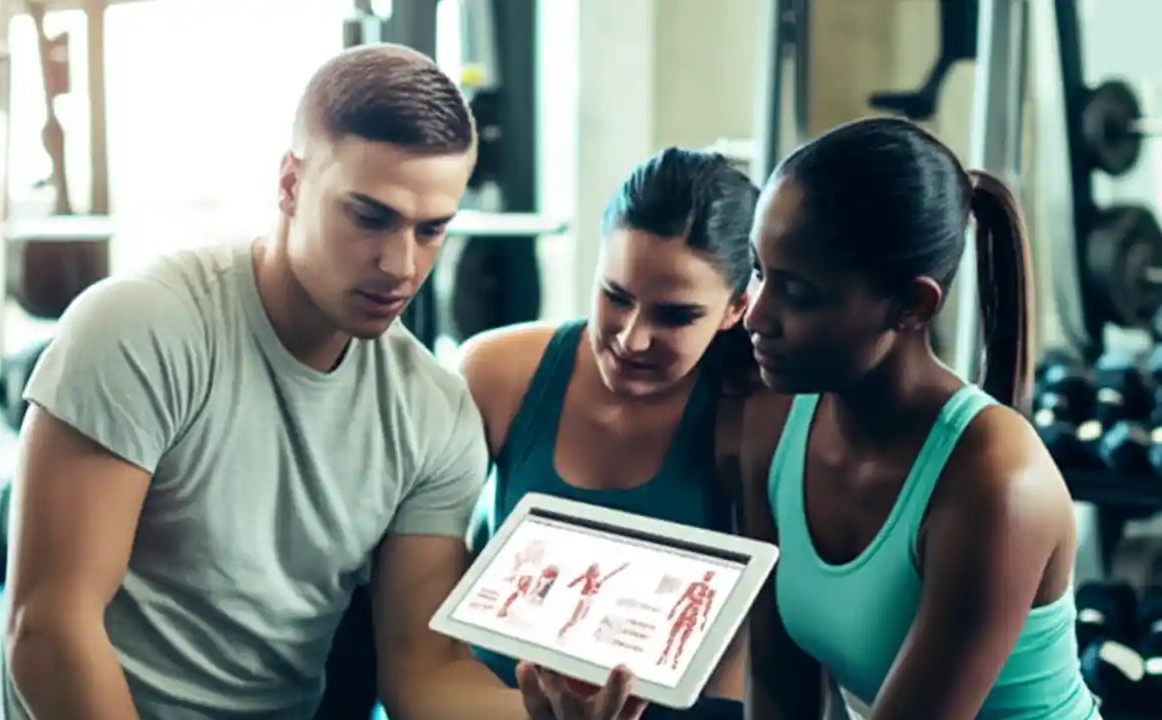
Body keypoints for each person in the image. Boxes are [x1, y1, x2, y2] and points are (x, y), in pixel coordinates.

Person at [0, 43, 616, 720]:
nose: (400, 265)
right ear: (291, 183)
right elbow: (50, 628)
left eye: (431, 229)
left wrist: (548, 715)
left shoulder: (433, 412)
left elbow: (422, 675)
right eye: (369, 217)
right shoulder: (140, 329)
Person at [734, 117, 1102, 719]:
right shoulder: (773, 421)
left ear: (910, 305)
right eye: (757, 270)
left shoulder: (997, 481)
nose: (755, 314)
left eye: (798, 294)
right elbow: (778, 689)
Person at [459, 147, 762, 718]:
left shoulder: (753, 415)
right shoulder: (498, 373)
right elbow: (431, 598)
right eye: (615, 297)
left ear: (735, 308)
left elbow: (744, 666)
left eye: (675, 315)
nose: (631, 338)